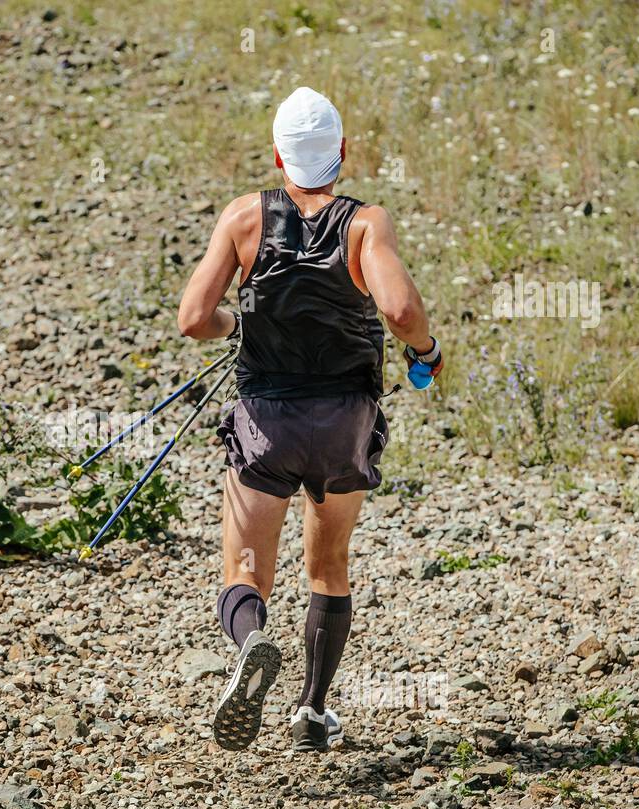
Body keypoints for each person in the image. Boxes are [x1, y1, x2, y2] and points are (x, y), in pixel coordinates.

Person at [176, 87, 442, 753]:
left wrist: (239, 321)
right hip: (345, 421)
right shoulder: (364, 224)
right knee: (328, 566)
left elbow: (192, 320)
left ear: (277, 156)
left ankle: (253, 640)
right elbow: (403, 313)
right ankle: (313, 711)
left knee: (244, 570)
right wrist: (427, 354)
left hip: (267, 421)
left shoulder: (243, 218)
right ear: (343, 152)